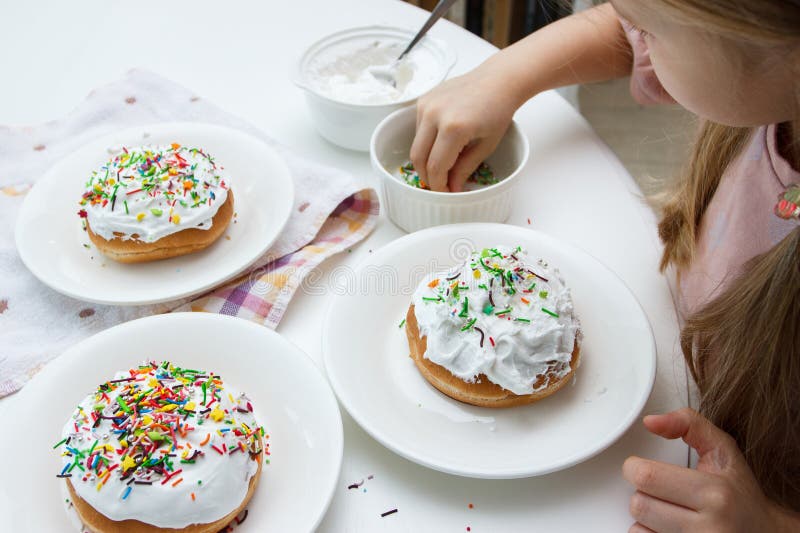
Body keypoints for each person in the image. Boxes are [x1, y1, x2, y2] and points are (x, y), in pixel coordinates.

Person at [410, 1, 800, 530]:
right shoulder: (760, 83)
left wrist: (769, 523)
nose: (634, 35)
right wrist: (503, 76)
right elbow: (631, 24)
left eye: (649, 32)